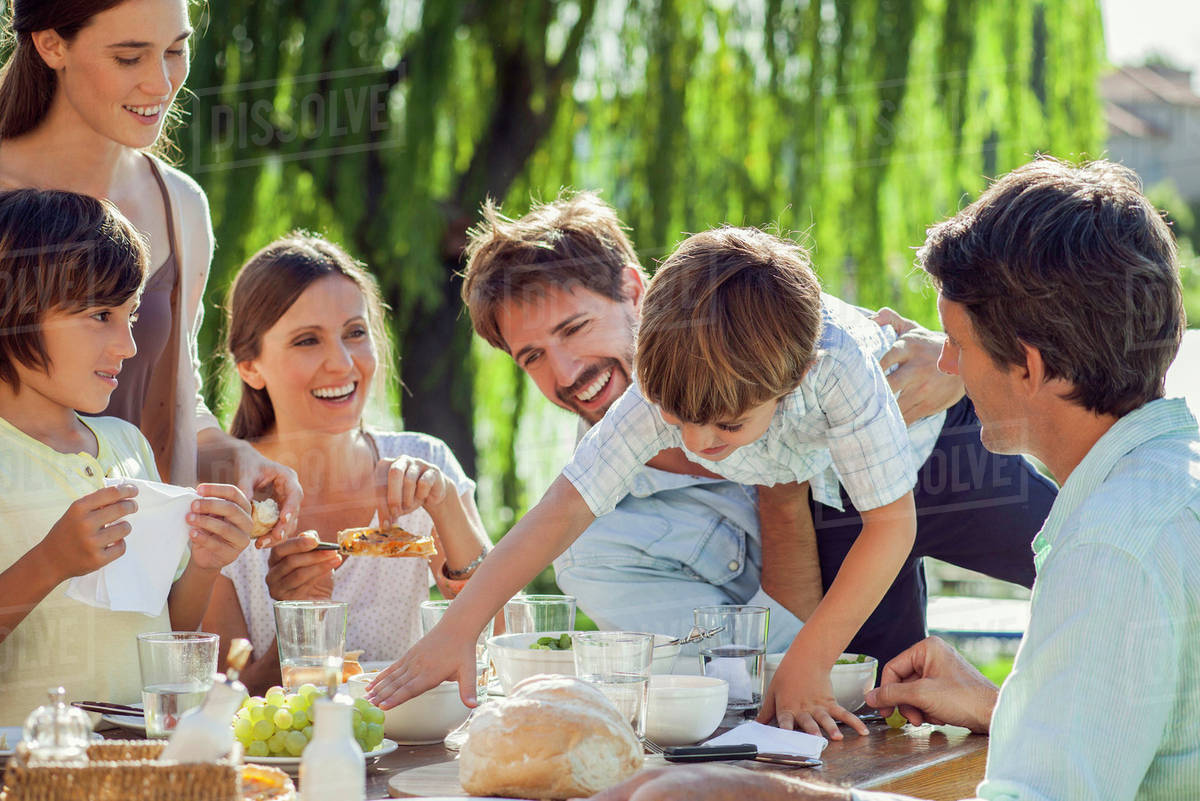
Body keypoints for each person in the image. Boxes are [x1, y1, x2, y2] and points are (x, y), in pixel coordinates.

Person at [594, 158, 1200, 800]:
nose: (942, 363)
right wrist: (1009, 707)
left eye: (956, 343)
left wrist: (771, 795)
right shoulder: (1166, 488)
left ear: (1029, 365)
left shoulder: (1109, 549)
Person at [369, 223, 1052, 740]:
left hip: (931, 456)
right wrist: (460, 627)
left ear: (792, 382)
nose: (699, 444)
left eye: (723, 425)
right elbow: (557, 513)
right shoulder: (662, 389)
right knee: (880, 701)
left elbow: (892, 522)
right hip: (833, 507)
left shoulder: (836, 370)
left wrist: (805, 658)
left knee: (1059, 549)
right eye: (677, 422)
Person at [0, 0, 299, 542]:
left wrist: (233, 457)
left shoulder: (180, 205)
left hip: (150, 584)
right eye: (129, 58)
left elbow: (173, 395)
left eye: (176, 51)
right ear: (50, 44)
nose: (162, 84)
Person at [200, 233, 493, 694]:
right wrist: (300, 626)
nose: (341, 363)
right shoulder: (223, 497)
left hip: (409, 746)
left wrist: (447, 505)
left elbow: (497, 632)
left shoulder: (426, 460)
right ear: (250, 366)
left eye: (355, 333)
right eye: (307, 341)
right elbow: (228, 701)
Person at [0, 190, 252, 723]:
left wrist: (205, 564)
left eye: (131, 316)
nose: (129, 345)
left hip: (142, 757)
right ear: (14, 309)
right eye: (101, 316)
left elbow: (166, 626)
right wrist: (49, 563)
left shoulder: (127, 445)